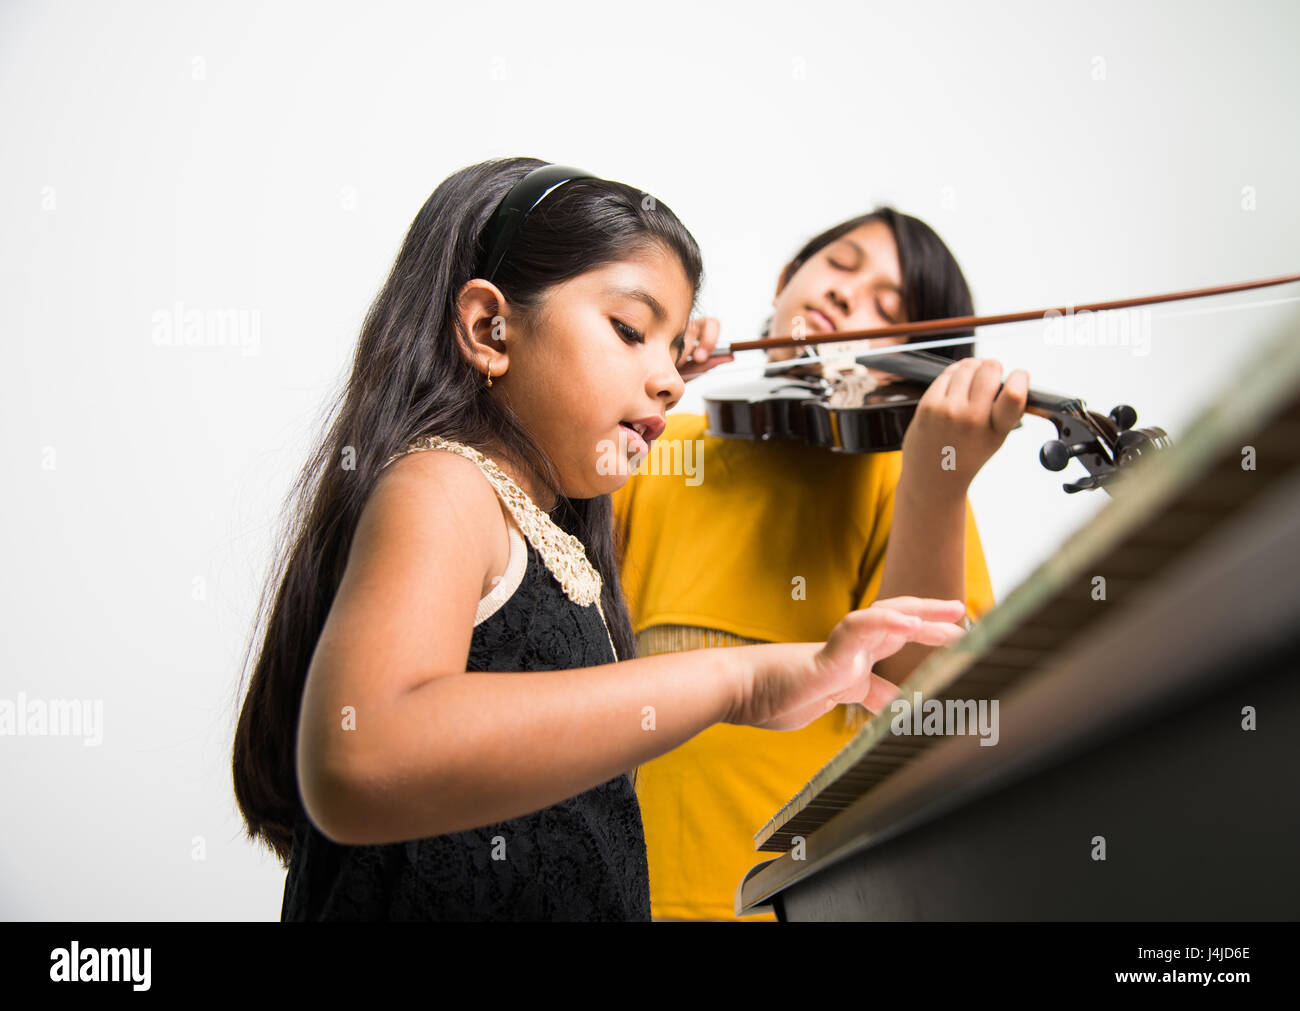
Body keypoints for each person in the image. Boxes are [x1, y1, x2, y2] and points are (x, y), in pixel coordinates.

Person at [229, 159, 970, 921]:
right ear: (490, 327)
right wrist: (738, 681)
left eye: (674, 346)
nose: (675, 379)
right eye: (629, 329)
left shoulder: (554, 534)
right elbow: (366, 752)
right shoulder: (445, 487)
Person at [612, 207, 1029, 920]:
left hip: (793, 904)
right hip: (613, 892)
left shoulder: (905, 480)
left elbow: (925, 713)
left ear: (919, 369)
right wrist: (630, 383)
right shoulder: (662, 449)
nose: (846, 296)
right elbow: (543, 596)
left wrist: (935, 477)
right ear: (783, 283)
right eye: (839, 266)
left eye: (888, 309)